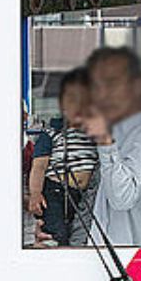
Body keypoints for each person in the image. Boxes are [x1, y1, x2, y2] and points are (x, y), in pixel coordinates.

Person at [78, 46, 141, 247]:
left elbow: (122, 197)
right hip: (108, 256)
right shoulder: (119, 132)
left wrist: (105, 142)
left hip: (128, 262)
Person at [27, 68, 98, 247]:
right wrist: (35, 194)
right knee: (57, 233)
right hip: (56, 191)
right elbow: (39, 167)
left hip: (84, 195)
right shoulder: (51, 133)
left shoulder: (95, 135)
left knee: (81, 235)